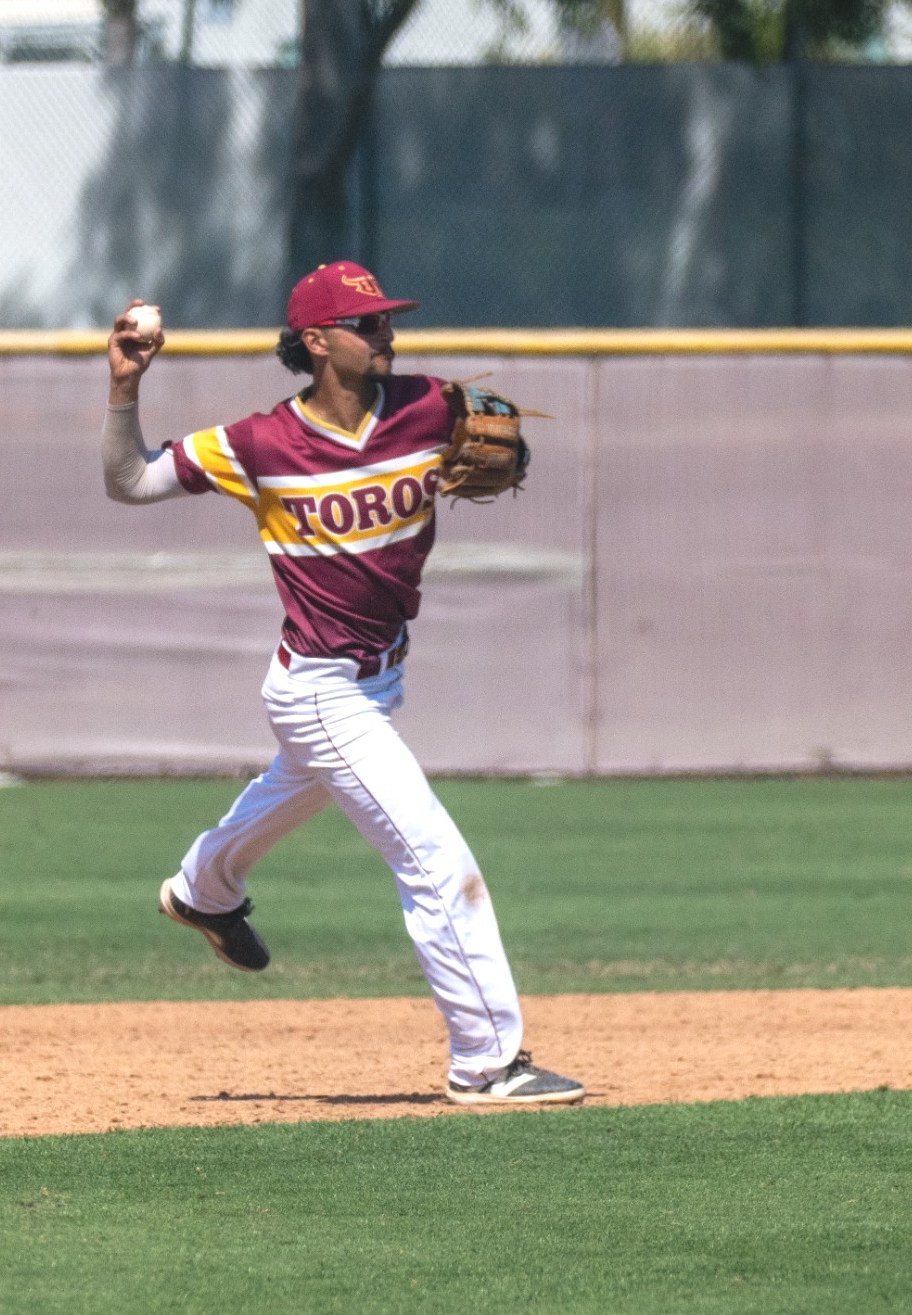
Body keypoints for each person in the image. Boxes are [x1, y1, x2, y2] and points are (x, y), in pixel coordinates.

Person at [100, 261, 584, 1107]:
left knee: (302, 787)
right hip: (320, 688)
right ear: (317, 342)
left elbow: (505, 446)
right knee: (433, 857)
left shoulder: (430, 408)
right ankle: (488, 1063)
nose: (386, 335)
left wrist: (514, 451)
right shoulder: (259, 445)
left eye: (388, 322)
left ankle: (203, 890)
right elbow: (131, 480)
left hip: (375, 683)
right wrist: (124, 388)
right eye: (367, 326)